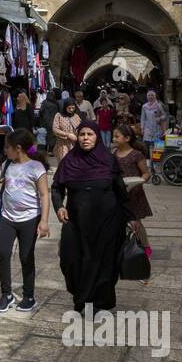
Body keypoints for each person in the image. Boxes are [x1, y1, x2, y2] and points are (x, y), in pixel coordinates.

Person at [52, 121, 136, 313]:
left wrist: (131, 217)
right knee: (70, 259)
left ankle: (100, 303)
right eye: (82, 134)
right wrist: (59, 207)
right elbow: (57, 187)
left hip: (108, 221)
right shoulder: (69, 161)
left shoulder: (108, 160)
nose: (86, 138)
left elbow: (120, 191)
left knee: (104, 262)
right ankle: (80, 298)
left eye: (90, 134)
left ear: (97, 137)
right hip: (76, 220)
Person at [0, 129, 51, 314]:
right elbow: (0, 184)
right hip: (7, 217)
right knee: (2, 253)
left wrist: (44, 221)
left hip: (30, 219)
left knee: (26, 257)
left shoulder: (36, 167)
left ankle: (29, 296)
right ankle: (6, 294)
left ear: (19, 148)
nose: (5, 150)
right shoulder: (7, 164)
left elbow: (44, 195)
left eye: (8, 147)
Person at [112, 123, 153, 252]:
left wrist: (140, 181)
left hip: (134, 194)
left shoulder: (136, 154)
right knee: (119, 221)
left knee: (136, 222)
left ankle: (146, 248)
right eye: (113, 136)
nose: (113, 139)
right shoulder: (114, 153)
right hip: (119, 193)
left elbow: (146, 173)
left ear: (127, 138)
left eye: (116, 136)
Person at [52, 98, 82, 164]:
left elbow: (80, 128)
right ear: (65, 107)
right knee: (63, 164)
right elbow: (55, 129)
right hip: (62, 145)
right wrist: (67, 134)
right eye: (69, 108)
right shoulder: (59, 116)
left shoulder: (76, 116)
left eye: (73, 108)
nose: (71, 110)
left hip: (74, 145)